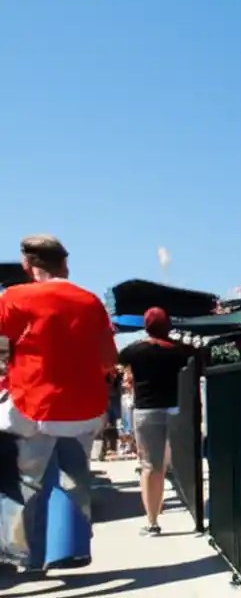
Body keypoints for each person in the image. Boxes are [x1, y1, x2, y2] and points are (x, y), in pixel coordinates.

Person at [0, 235, 117, 572]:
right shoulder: (90, 301)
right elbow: (108, 359)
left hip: (33, 403)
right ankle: (68, 548)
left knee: (24, 479)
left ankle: (18, 555)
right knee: (74, 475)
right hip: (84, 408)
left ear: (27, 265)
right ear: (65, 264)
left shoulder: (14, 297)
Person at [118, 307, 194, 536]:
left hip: (146, 411)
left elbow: (119, 361)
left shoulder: (134, 350)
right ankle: (193, 506)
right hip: (176, 409)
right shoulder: (180, 352)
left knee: (151, 466)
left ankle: (152, 521)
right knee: (182, 461)